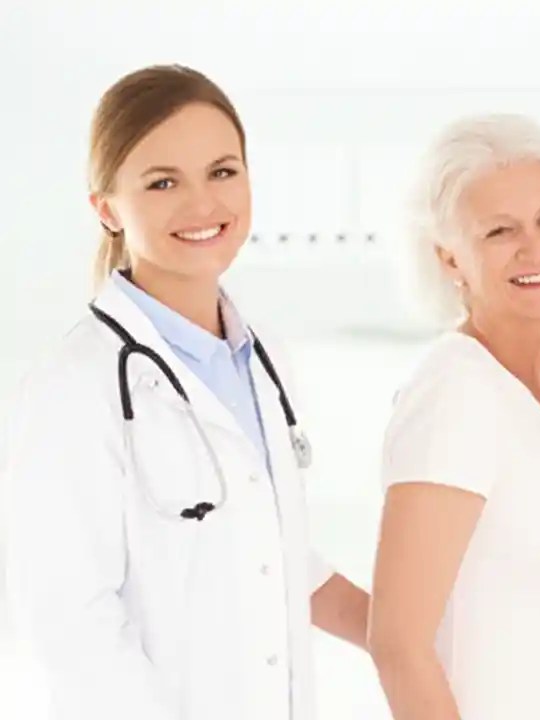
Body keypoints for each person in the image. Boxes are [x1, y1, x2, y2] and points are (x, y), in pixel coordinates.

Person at [3, 65, 369, 720]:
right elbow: (74, 626)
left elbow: (275, 554)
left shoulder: (262, 359)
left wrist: (405, 637)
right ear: (106, 208)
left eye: (222, 172)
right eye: (163, 182)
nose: (202, 205)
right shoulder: (76, 384)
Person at [366, 114, 540, 720]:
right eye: (500, 231)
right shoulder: (456, 390)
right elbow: (398, 644)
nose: (535, 247)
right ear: (449, 258)